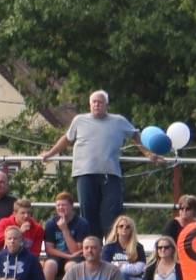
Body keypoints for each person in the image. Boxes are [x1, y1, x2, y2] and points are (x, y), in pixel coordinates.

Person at [38, 90, 159, 240]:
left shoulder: (119, 121)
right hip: (85, 173)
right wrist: (50, 154)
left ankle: (111, 247)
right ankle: (93, 248)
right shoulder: (79, 120)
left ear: (106, 104)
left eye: (100, 102)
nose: (97, 104)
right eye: (94, 102)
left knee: (113, 212)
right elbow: (67, 139)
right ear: (89, 104)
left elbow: (135, 135)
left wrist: (147, 153)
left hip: (111, 173)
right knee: (88, 212)